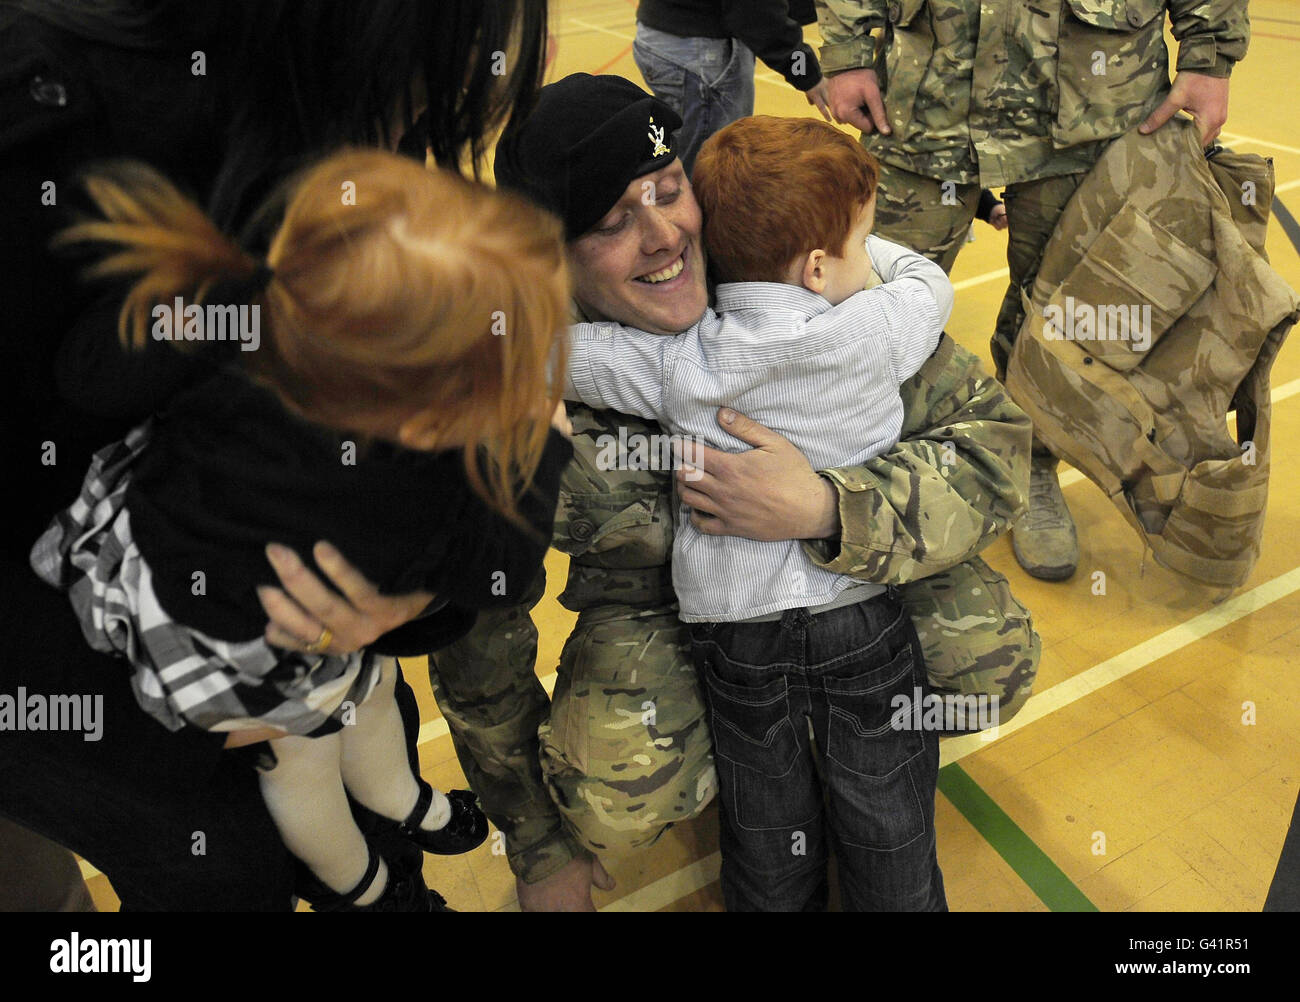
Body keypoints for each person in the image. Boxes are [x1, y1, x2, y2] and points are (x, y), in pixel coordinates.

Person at [369, 72, 1031, 910]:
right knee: (619, 782)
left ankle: (857, 791)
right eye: (613, 223)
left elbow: (993, 445)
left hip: (855, 586)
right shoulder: (531, 374)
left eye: (667, 191)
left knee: (983, 655)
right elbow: (478, 641)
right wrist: (535, 848)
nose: (665, 237)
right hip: (674, 622)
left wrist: (830, 507)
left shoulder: (782, 261)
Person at [1, 0, 549, 911]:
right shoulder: (49, 113)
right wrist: (178, 710)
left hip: (291, 657)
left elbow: (497, 528)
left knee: (361, 756)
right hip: (107, 698)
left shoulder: (336, 109)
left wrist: (411, 596)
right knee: (226, 864)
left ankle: (386, 877)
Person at [559, 114, 952, 908]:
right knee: (890, 813)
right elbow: (929, 284)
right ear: (815, 265)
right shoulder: (874, 327)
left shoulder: (684, 357)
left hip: (734, 635)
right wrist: (867, 248)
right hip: (857, 617)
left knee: (765, 822)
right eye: (854, 243)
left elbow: (569, 356)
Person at [814, 0, 1249, 581]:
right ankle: (865, 464)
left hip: (1091, 99)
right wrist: (845, 53)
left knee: (1061, 314)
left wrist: (1210, 55)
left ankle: (1027, 464)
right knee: (865, 295)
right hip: (923, 91)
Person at [633, 0, 832, 174]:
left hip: (664, 38)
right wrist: (806, 74)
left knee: (689, 157)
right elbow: (758, 14)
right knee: (712, 172)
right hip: (697, 55)